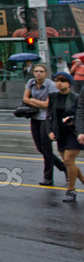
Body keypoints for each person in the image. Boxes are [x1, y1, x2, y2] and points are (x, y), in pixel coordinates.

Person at [23, 63, 65, 186]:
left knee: (46, 148)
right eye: (36, 71)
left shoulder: (51, 85)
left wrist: (32, 101)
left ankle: (48, 177)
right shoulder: (31, 82)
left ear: (46, 73)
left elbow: (48, 105)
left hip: (47, 118)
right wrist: (37, 102)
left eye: (41, 71)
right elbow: (25, 99)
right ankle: (63, 167)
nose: (38, 74)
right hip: (35, 117)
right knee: (40, 148)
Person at [46, 72, 83, 202]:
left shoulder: (76, 97)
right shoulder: (53, 97)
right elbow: (49, 115)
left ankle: (71, 191)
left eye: (62, 80)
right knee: (69, 163)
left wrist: (72, 119)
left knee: (68, 160)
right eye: (56, 80)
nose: (59, 83)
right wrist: (49, 130)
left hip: (73, 132)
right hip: (60, 133)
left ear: (69, 83)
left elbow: (80, 114)